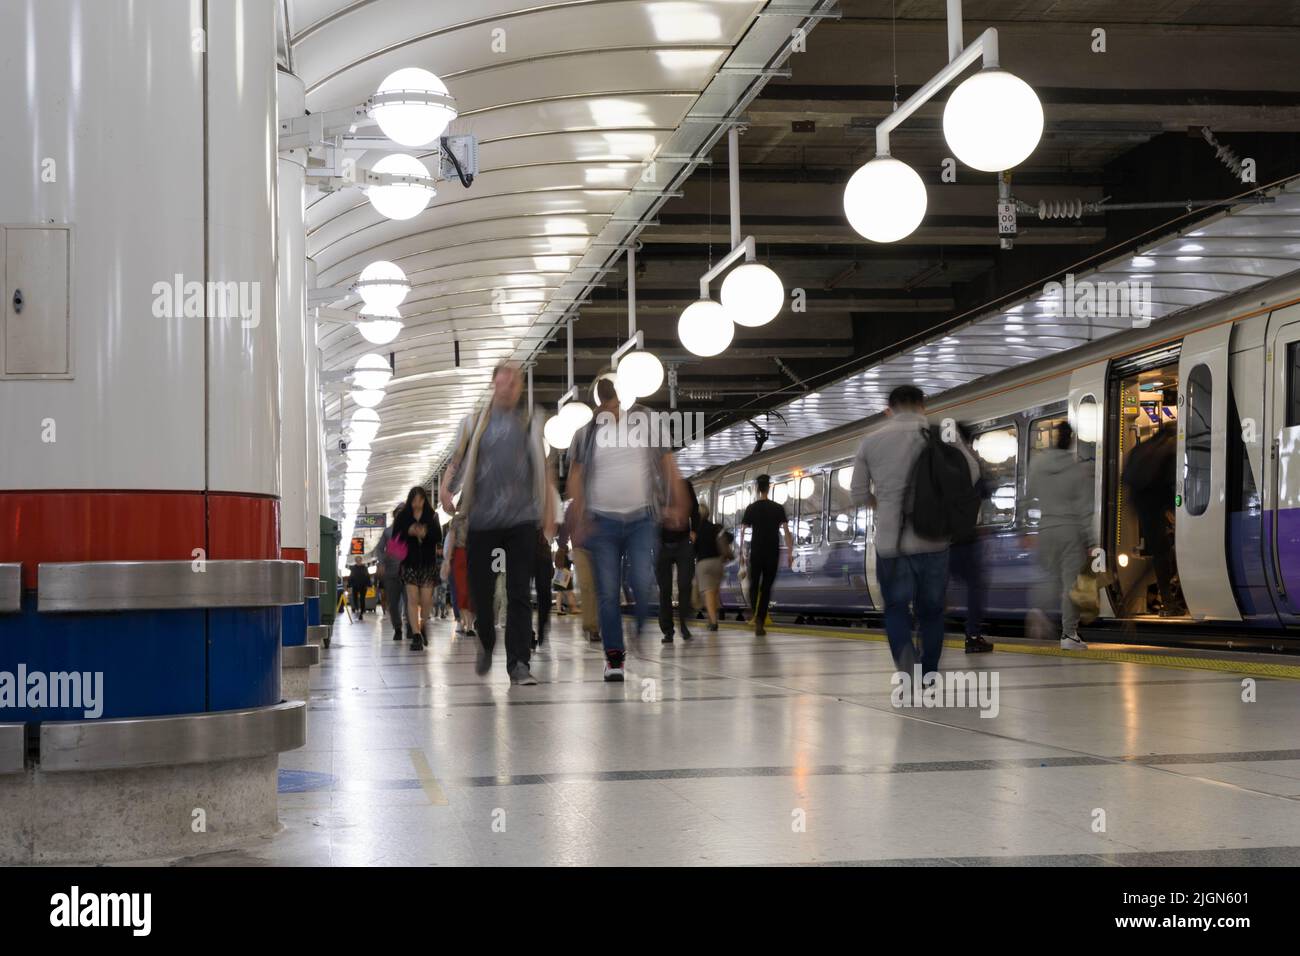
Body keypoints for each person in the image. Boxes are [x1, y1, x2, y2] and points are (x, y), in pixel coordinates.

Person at [568, 375, 689, 681]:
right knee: (607, 593)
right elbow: (576, 477)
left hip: (641, 518)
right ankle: (614, 657)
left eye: (615, 401)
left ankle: (637, 628)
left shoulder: (647, 421)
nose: (612, 408)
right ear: (600, 404)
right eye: (606, 403)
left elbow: (667, 462)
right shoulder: (586, 433)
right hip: (602, 522)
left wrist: (677, 502)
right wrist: (579, 517)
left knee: (642, 580)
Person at [441, 363, 555, 686]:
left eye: (515, 383)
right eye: (504, 382)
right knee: (481, 590)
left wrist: (548, 510)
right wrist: (446, 489)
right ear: (494, 384)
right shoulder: (473, 423)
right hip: (482, 521)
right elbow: (456, 460)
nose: (510, 388)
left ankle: (519, 662)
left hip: (522, 521)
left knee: (519, 591)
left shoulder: (532, 421)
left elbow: (544, 468)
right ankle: (487, 638)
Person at [850, 385, 949, 677]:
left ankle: (907, 663)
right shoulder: (943, 436)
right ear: (923, 406)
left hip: (891, 543)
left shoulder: (870, 441)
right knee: (931, 611)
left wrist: (882, 504)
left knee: (895, 608)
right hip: (935, 541)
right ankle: (928, 672)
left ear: (888, 409)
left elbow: (857, 494)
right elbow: (970, 478)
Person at [1026, 420, 1093, 649]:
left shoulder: (1037, 464)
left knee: (1050, 577)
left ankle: (1038, 609)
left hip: (1045, 528)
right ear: (1071, 440)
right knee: (1070, 585)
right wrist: (1092, 541)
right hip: (1070, 530)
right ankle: (1069, 635)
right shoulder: (1076, 469)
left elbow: (1028, 495)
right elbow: (1085, 508)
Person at [1122, 418, 1185, 616]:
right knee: (1162, 553)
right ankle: (1167, 601)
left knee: (1160, 551)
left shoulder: (1143, 448)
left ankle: (1163, 597)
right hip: (1156, 507)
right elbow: (1171, 482)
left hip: (1141, 508)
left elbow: (1126, 478)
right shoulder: (1168, 450)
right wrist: (1171, 511)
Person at [949, 425, 994, 653]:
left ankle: (926, 630)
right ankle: (973, 635)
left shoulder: (936, 459)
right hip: (964, 537)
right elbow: (985, 489)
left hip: (937, 538)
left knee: (934, 587)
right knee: (975, 585)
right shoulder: (969, 460)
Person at [740, 475, 792, 637]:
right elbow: (786, 531)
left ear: (757, 488)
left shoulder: (751, 508)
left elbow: (743, 531)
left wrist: (742, 553)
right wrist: (790, 552)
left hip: (756, 552)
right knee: (767, 587)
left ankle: (756, 617)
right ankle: (760, 619)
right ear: (769, 488)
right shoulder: (778, 508)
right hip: (772, 552)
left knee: (754, 585)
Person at [393, 485, 442, 650]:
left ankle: (423, 625)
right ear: (410, 500)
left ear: (424, 500)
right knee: (412, 599)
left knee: (427, 600)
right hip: (409, 563)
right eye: (414, 500)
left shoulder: (432, 516)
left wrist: (425, 534)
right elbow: (395, 539)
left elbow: (438, 536)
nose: (417, 503)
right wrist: (409, 532)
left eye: (420, 499)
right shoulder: (403, 517)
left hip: (428, 563)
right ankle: (415, 635)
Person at [657, 480, 700, 643]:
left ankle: (684, 626)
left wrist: (694, 531)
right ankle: (668, 630)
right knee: (665, 589)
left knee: (684, 585)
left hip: (684, 543)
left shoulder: (685, 486)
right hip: (662, 544)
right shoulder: (656, 487)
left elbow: (694, 510)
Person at [558, 493, 600, 643]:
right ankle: (592, 627)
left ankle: (597, 624)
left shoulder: (598, 500)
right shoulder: (572, 507)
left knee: (599, 587)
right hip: (580, 549)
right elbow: (564, 527)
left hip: (600, 548)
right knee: (587, 585)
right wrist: (562, 547)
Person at [694, 501, 732, 631]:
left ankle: (714, 622)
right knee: (714, 593)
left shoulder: (696, 530)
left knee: (709, 594)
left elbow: (693, 550)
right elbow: (726, 541)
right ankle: (711, 619)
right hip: (718, 563)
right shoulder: (716, 528)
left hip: (704, 564)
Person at [374, 505, 406, 640]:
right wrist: (381, 564)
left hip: (408, 573)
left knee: (411, 601)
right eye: (398, 513)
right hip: (391, 573)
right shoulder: (388, 532)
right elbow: (380, 549)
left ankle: (411, 627)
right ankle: (397, 627)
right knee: (393, 603)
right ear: (394, 515)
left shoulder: (411, 531)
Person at [442, 510, 476, 637]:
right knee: (462, 592)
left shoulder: (480, 516)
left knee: (473, 592)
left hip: (475, 555)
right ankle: (466, 624)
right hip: (460, 555)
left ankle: (470, 625)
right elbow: (451, 539)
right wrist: (447, 560)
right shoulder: (457, 520)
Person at [532, 528, 552, 650]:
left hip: (543, 550)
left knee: (545, 594)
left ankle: (542, 626)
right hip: (522, 544)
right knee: (521, 593)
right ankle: (527, 633)